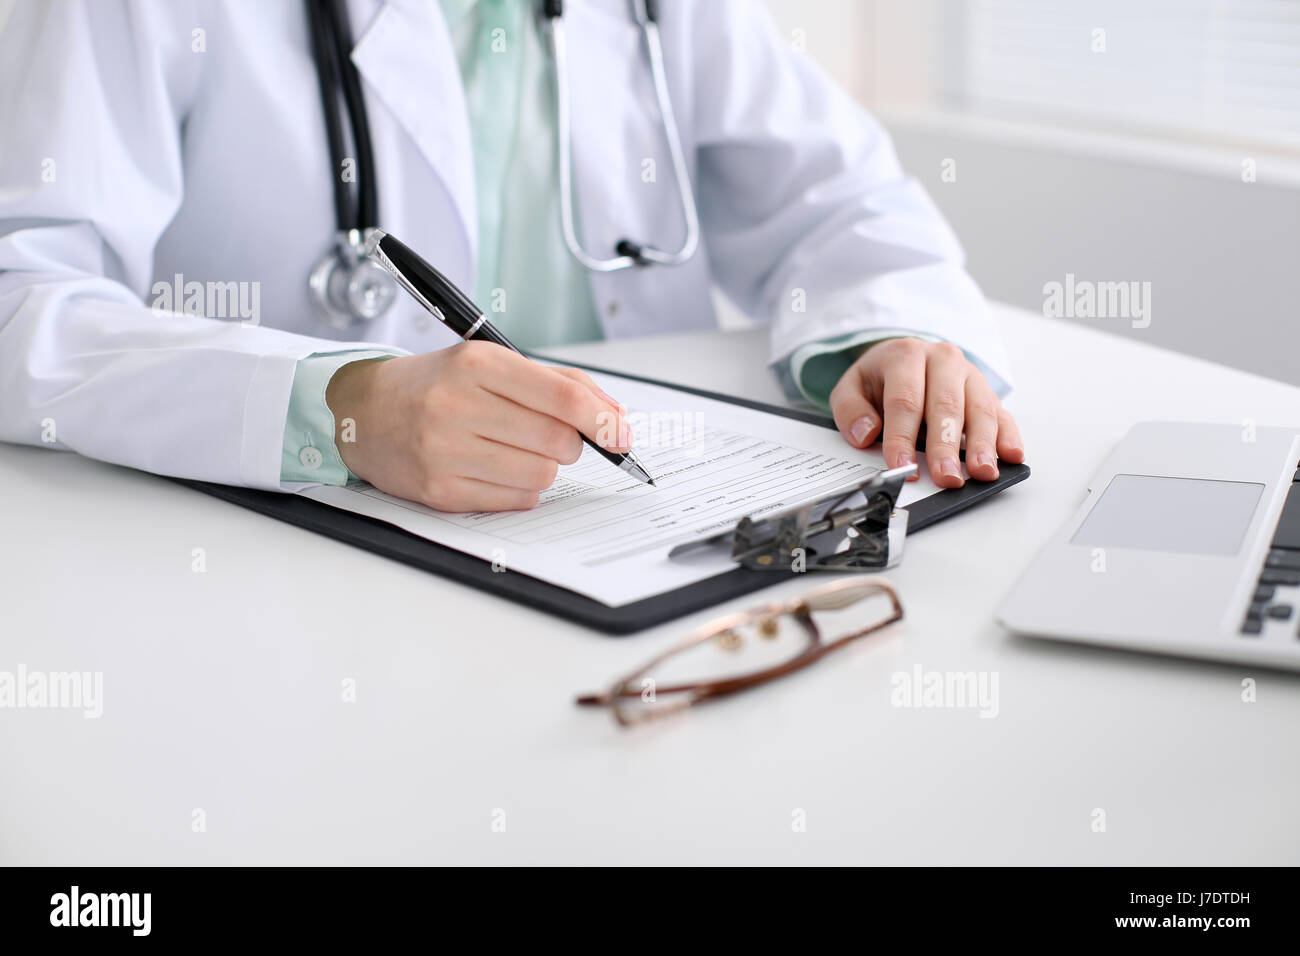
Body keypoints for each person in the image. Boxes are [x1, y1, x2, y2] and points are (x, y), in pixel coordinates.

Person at [0, 0, 1023, 514]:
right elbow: (23, 296)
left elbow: (836, 198)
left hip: (626, 543)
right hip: (289, 560)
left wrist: (888, 326)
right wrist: (334, 407)